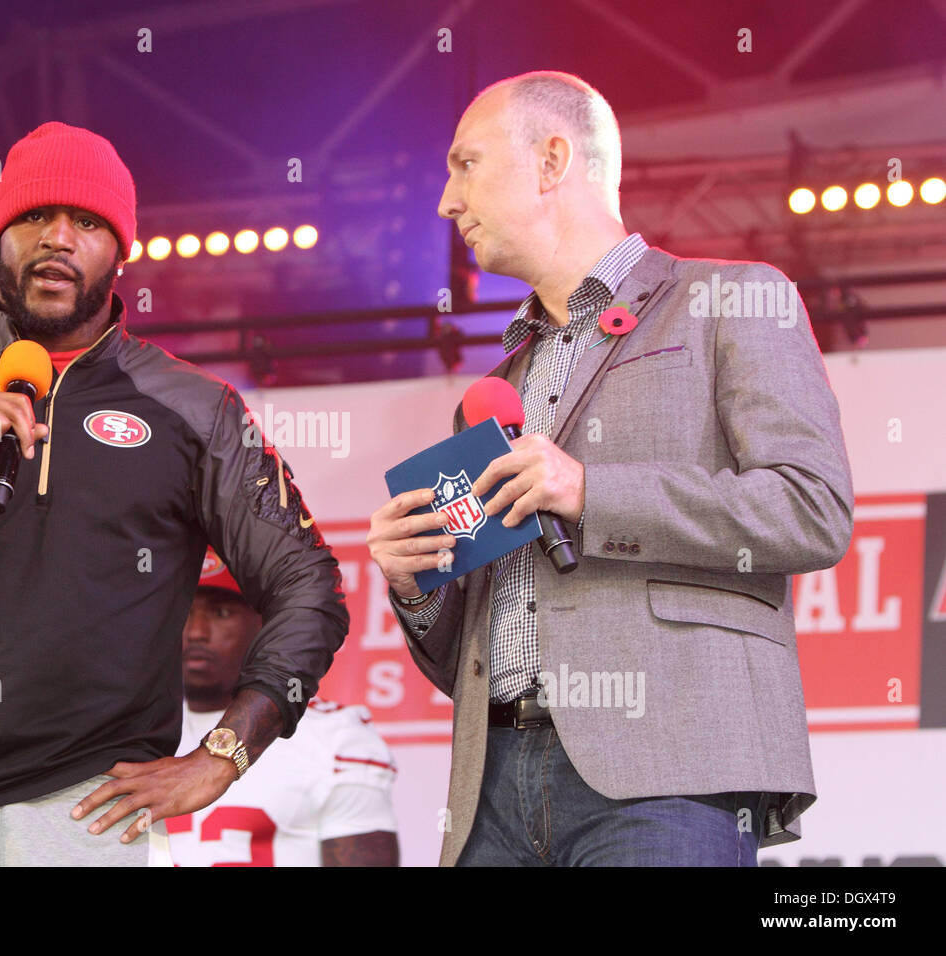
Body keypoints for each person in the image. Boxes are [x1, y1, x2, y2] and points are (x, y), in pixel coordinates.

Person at [0, 122, 347, 866]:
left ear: (121, 250)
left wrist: (225, 753)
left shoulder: (191, 406)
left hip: (95, 811)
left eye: (87, 221)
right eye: (35, 216)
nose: (59, 238)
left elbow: (311, 585)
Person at [366, 72, 854, 866]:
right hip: (490, 784)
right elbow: (467, 652)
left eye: (467, 165)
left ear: (553, 159)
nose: (447, 201)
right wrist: (418, 583)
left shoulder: (733, 299)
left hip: (671, 771)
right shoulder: (497, 391)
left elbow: (810, 507)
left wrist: (591, 492)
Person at [168, 548, 399, 867]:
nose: (196, 632)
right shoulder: (123, 735)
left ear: (264, 624)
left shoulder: (334, 737)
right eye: (183, 613)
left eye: (221, 612)